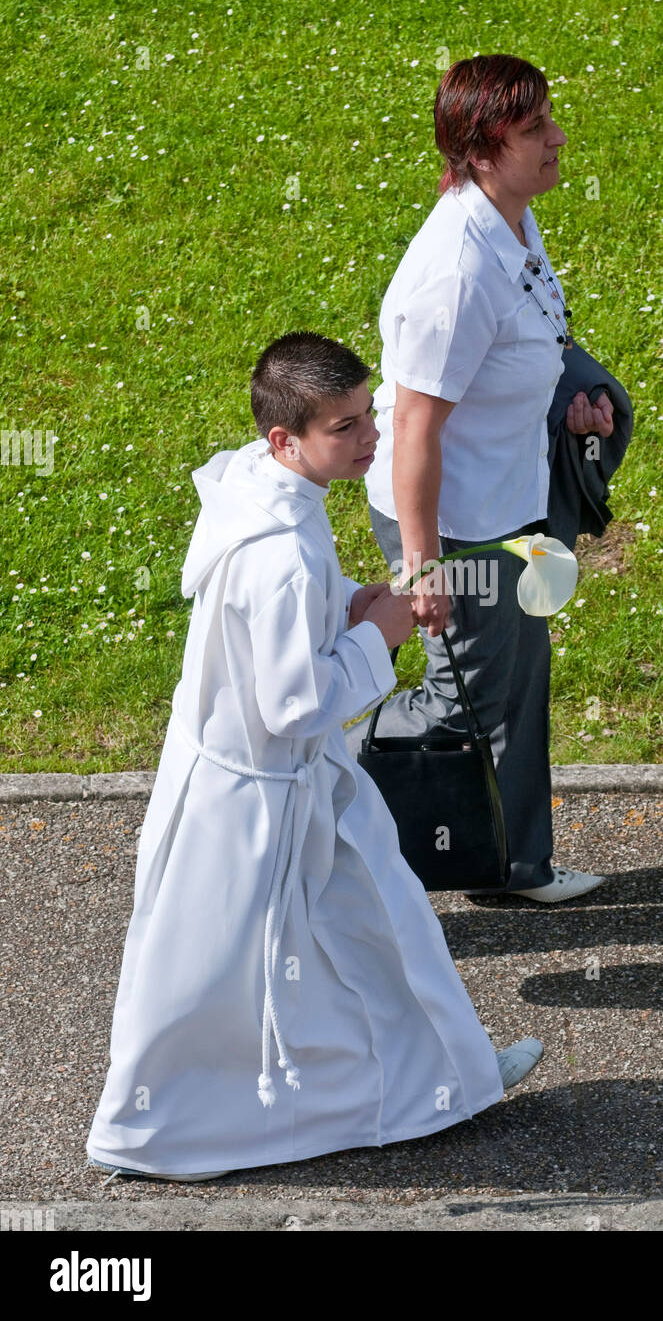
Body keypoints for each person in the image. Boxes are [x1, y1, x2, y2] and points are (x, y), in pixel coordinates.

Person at [85, 331, 543, 1183]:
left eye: (370, 414)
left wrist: (348, 604)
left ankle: (446, 1084)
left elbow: (278, 627)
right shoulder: (280, 552)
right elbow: (293, 703)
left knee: (379, 926)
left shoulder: (263, 497)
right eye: (345, 426)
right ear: (283, 440)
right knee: (214, 978)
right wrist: (381, 632)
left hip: (277, 783)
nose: (371, 438)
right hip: (258, 798)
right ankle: (153, 1131)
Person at [344, 54, 615, 902]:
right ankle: (321, 797)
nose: (557, 138)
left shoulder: (509, 217)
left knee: (516, 676)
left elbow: (523, 339)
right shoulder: (452, 274)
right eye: (535, 129)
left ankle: (510, 862)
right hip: (455, 520)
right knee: (461, 697)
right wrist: (420, 567)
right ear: (483, 149)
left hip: (509, 498)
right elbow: (415, 427)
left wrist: (566, 403)